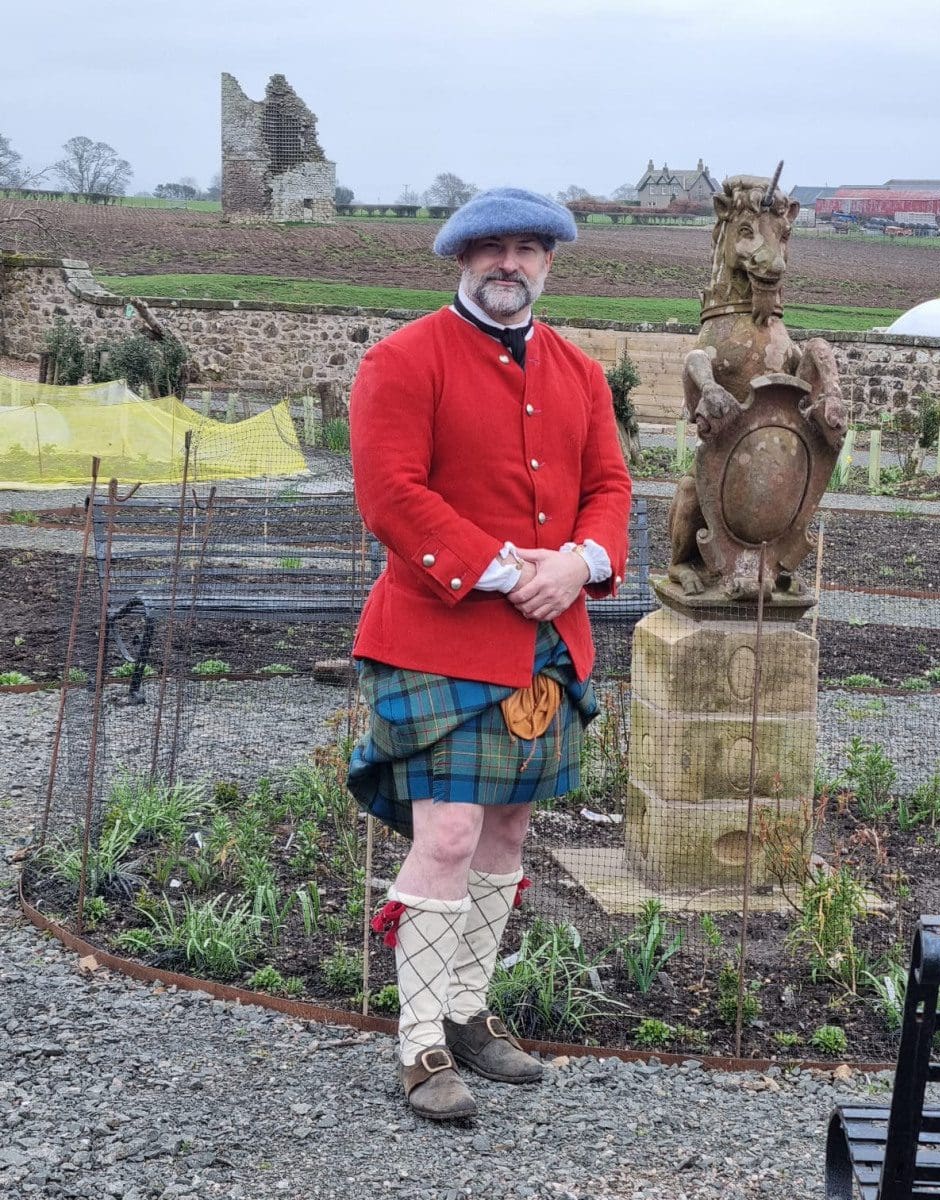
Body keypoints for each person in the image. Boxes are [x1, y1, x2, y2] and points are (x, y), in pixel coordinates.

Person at [346, 187, 632, 1122]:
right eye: (490, 249)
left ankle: (469, 1012)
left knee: (509, 831)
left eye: (527, 249)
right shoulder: (403, 360)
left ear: (550, 261)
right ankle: (420, 1042)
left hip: (549, 638)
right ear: (460, 260)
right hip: (440, 630)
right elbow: (392, 496)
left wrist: (581, 562)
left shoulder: (581, 373)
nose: (509, 263)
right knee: (451, 834)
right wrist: (515, 573)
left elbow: (609, 487)